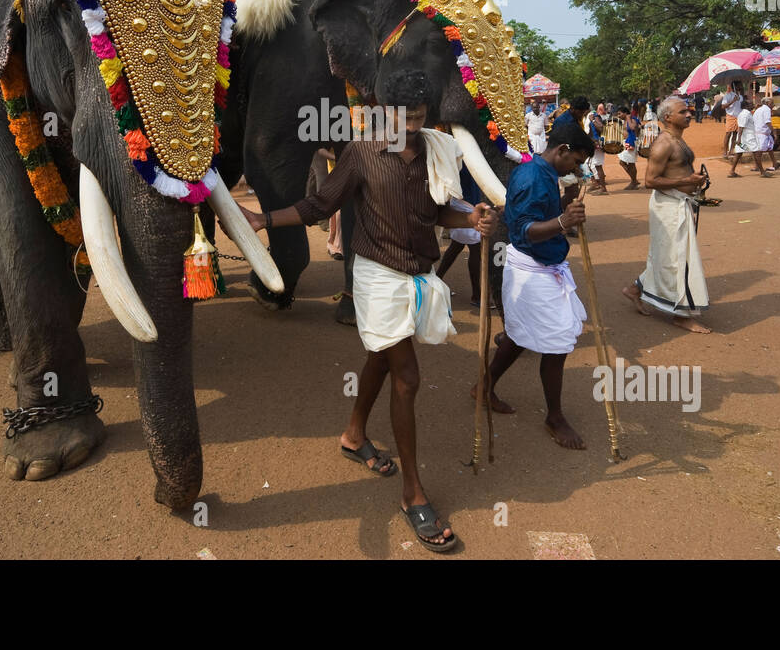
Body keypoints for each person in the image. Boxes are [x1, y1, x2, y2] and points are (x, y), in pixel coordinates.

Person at [240, 69, 497, 553]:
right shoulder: (360, 153)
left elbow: (435, 210)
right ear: (383, 111)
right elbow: (319, 205)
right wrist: (264, 219)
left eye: (420, 119)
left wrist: (469, 218)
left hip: (420, 273)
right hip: (377, 276)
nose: (411, 128)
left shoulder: (435, 151)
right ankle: (412, 494)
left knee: (381, 354)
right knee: (408, 376)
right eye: (404, 119)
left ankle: (354, 435)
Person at [474, 117, 592, 448]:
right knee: (556, 345)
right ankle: (554, 417)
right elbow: (523, 228)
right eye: (576, 162)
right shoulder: (532, 177)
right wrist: (563, 220)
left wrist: (565, 211)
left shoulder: (542, 172)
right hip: (532, 269)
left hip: (542, 265)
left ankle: (483, 386)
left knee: (519, 334)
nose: (576, 169)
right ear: (563, 150)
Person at [622, 97, 711, 333]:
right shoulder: (663, 144)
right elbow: (649, 181)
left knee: (668, 256)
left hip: (679, 203)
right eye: (684, 112)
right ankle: (681, 316)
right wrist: (686, 181)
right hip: (668, 207)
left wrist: (694, 183)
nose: (690, 114)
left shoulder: (677, 140)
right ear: (668, 117)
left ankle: (634, 290)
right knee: (677, 258)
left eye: (689, 111)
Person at [436, 168, 484, 307]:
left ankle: (437, 280)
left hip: (464, 202)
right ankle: (476, 295)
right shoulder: (462, 157)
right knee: (475, 249)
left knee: (456, 246)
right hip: (466, 204)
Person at [727, 94, 770, 178]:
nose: (753, 105)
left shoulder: (745, 113)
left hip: (745, 137)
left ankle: (732, 171)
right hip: (748, 138)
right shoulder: (745, 114)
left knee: (739, 153)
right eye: (750, 104)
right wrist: (738, 139)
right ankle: (762, 172)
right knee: (756, 153)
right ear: (746, 106)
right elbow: (741, 128)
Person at [753, 92, 780, 170]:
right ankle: (757, 167)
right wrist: (774, 132)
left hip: (759, 132)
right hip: (762, 133)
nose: (773, 105)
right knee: (760, 151)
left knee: (770, 148)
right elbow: (767, 121)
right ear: (768, 103)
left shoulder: (758, 110)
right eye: (772, 103)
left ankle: (775, 163)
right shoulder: (766, 109)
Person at [618, 106, 641, 189]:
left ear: (625, 113)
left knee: (630, 163)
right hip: (626, 143)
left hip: (631, 142)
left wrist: (628, 118)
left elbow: (633, 127)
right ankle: (634, 180)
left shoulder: (633, 119)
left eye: (620, 113)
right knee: (623, 162)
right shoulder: (623, 121)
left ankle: (634, 182)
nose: (619, 115)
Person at [720, 85, 742, 157]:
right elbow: (723, 106)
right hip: (730, 117)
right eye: (738, 85)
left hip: (738, 117)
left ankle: (732, 150)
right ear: (734, 87)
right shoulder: (727, 96)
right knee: (728, 134)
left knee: (735, 134)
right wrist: (733, 101)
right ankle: (725, 152)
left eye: (740, 85)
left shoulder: (741, 96)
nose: (740, 87)